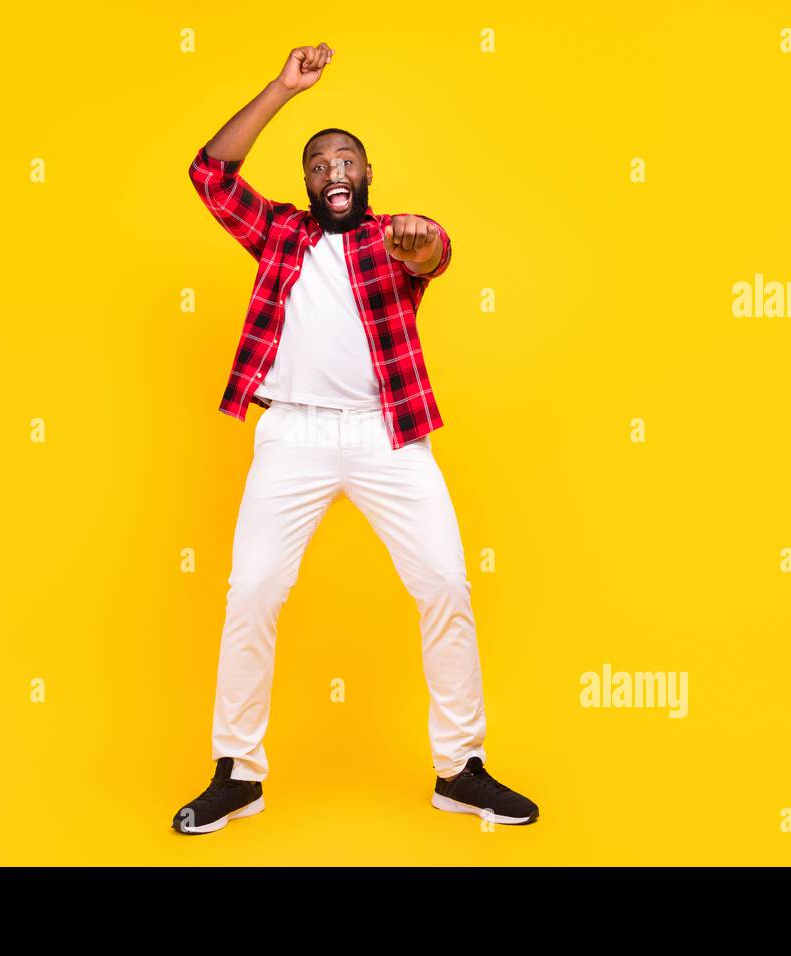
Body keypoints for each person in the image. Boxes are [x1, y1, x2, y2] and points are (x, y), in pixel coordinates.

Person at [173, 42, 538, 834]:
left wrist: (424, 244)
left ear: (365, 177)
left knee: (445, 584)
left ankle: (459, 769)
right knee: (253, 594)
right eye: (319, 163)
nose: (333, 170)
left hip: (389, 437)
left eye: (347, 160)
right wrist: (281, 89)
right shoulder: (277, 236)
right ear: (308, 182)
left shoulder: (392, 243)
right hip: (293, 438)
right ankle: (238, 773)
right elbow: (209, 174)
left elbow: (435, 248)